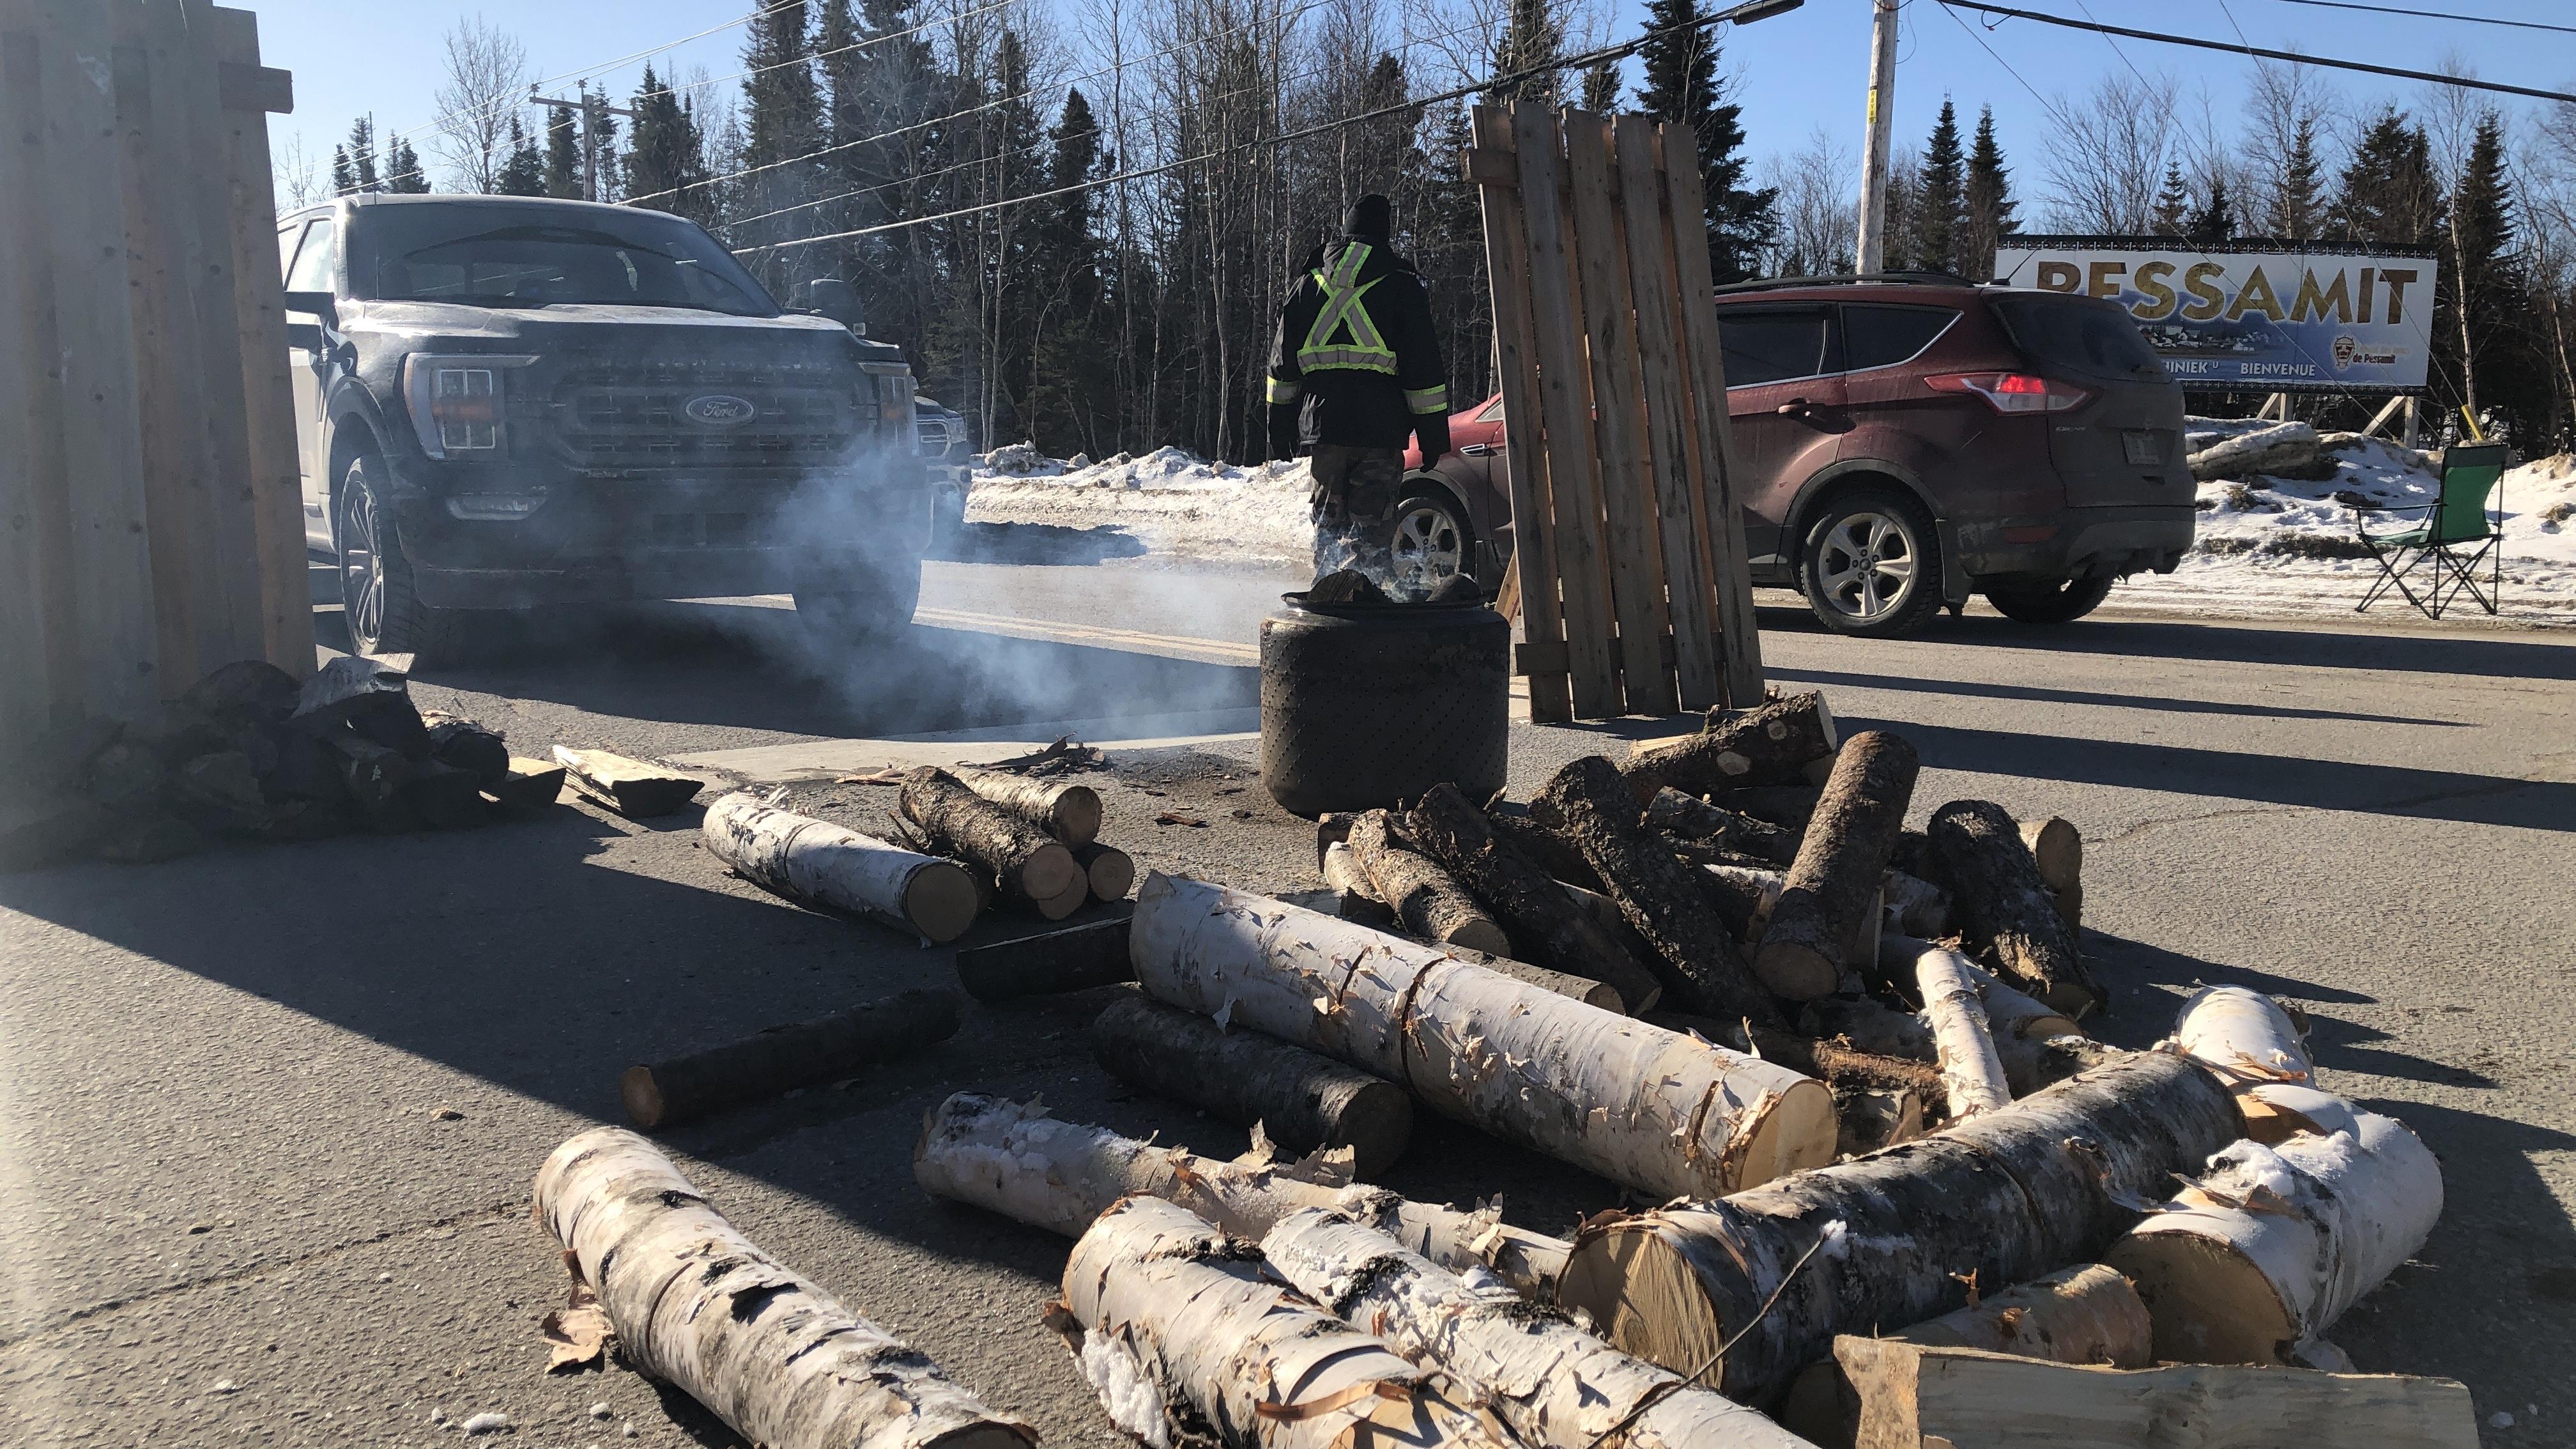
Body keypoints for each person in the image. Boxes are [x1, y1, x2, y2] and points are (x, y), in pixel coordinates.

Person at [1264, 194, 1452, 581]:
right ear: (1384, 235)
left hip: (1323, 427)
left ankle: (1325, 608)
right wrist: (1433, 436)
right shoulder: (1402, 287)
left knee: (1328, 529)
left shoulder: (1306, 285)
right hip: (1378, 430)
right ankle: (1368, 615)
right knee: (1371, 537)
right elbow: (1423, 372)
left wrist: (1279, 426)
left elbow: (1282, 368)